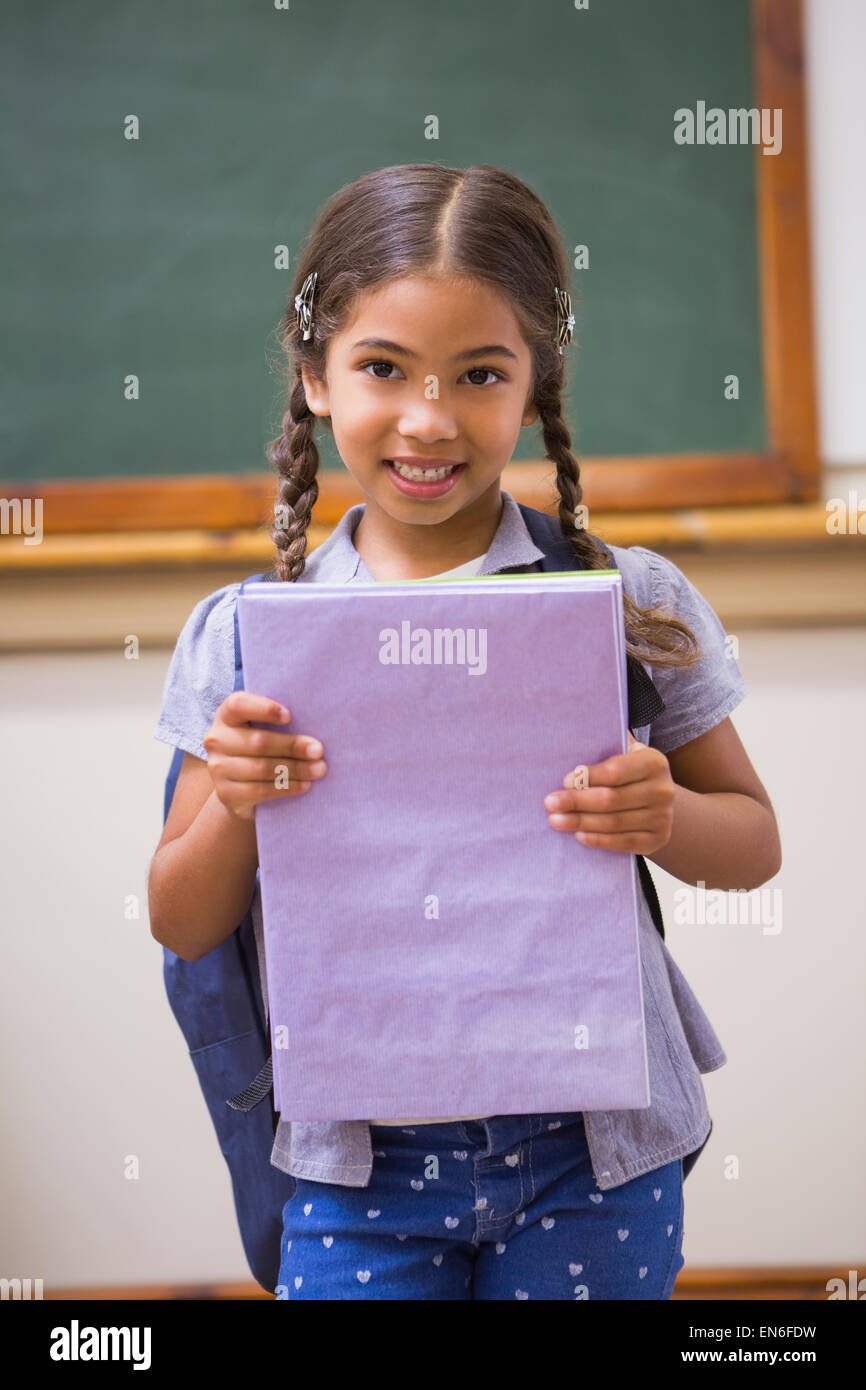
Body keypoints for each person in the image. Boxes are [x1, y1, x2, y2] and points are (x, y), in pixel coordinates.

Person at [149, 163, 782, 1300]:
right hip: (358, 1168)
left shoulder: (625, 600)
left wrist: (664, 814)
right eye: (382, 368)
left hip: (593, 1154)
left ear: (534, 382)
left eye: (479, 373)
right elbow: (179, 916)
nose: (428, 418)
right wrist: (239, 802)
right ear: (313, 377)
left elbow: (751, 842)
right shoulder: (247, 635)